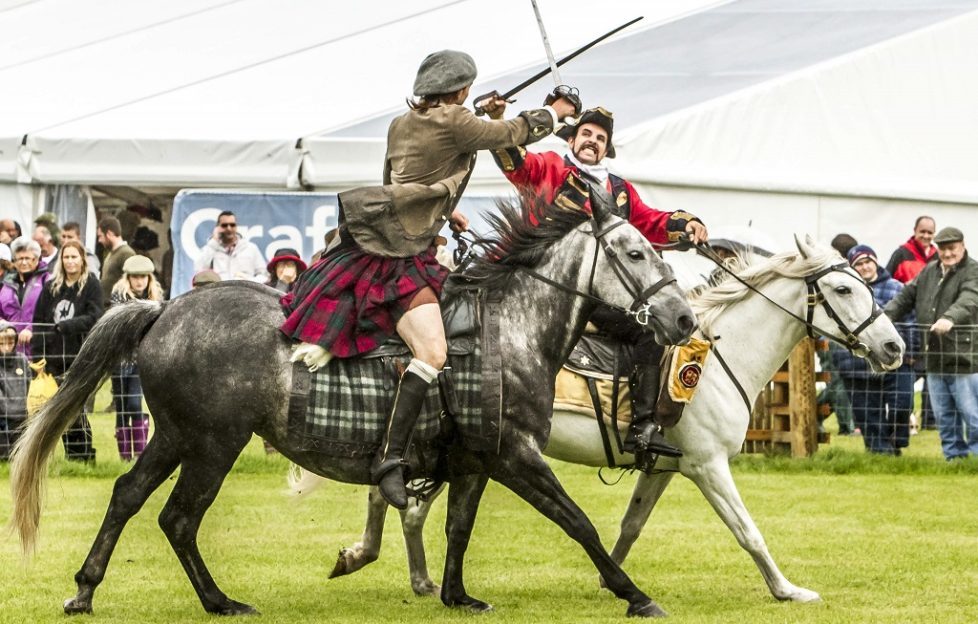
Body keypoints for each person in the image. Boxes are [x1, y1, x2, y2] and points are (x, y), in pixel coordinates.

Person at [281, 50, 578, 509]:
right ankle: (390, 457)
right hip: (404, 258)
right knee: (434, 351)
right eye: (467, 91)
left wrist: (444, 212)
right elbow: (514, 132)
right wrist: (555, 112)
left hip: (389, 239)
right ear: (460, 89)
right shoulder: (457, 121)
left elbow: (397, 181)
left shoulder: (402, 122)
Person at [487, 105, 707, 462]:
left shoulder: (619, 190)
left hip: (602, 294)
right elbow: (517, 162)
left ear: (607, 149)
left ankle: (643, 427)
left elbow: (649, 222)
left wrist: (685, 224)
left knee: (647, 327)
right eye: (587, 134)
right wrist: (499, 123)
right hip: (545, 287)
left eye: (601, 138)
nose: (593, 141)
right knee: (645, 331)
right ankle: (642, 425)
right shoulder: (552, 167)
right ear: (571, 139)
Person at [885, 227, 978, 460]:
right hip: (935, 358)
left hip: (965, 359)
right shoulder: (930, 271)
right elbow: (907, 296)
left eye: (951, 248)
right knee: (944, 416)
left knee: (972, 414)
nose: (947, 254)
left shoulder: (973, 271)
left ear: (962, 246)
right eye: (943, 249)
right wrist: (884, 318)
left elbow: (969, 299)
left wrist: (949, 318)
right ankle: (955, 458)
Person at [832, 245, 914, 454]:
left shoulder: (896, 288)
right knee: (868, 413)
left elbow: (911, 321)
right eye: (858, 264)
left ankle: (897, 441)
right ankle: (880, 454)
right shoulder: (845, 291)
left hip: (893, 358)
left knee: (902, 404)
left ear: (876, 261)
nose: (864, 267)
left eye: (867, 261)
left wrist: (912, 352)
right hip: (857, 363)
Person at [30, 240, 103, 461]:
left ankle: (82, 455)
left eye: (74, 257)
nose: (70, 261)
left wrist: (65, 326)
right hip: (53, 359)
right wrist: (38, 357)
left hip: (80, 358)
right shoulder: (51, 287)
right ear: (61, 260)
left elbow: (95, 317)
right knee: (57, 409)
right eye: (66, 257)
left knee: (75, 409)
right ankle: (70, 456)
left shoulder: (91, 284)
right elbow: (39, 322)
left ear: (82, 259)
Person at [109, 255, 163, 460]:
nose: (139, 281)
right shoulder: (118, 299)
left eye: (143, 277)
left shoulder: (156, 301)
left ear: (149, 278)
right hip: (120, 360)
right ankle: (125, 458)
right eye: (135, 277)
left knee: (134, 402)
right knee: (122, 406)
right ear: (128, 278)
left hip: (141, 361)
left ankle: (140, 453)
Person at [0, 237, 50, 356]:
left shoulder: (47, 281)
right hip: (10, 349)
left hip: (38, 347)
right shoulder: (6, 285)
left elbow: (49, 312)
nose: (23, 262)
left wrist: (31, 329)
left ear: (36, 259)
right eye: (19, 259)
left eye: (27, 258)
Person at [194, 211, 267, 282]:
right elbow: (199, 274)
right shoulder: (209, 249)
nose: (229, 228)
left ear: (236, 226)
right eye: (224, 225)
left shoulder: (251, 248)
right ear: (217, 228)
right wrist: (214, 241)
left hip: (246, 293)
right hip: (220, 293)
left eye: (232, 225)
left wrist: (249, 281)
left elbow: (264, 275)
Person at [0, 320, 30, 460]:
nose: (6, 347)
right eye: (1, 344)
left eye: (10, 343)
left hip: (21, 415)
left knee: (20, 456)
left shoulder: (22, 360)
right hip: (3, 417)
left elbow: (29, 386)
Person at [97, 216, 136, 307]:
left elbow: (132, 284)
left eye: (100, 236)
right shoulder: (110, 254)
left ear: (109, 233)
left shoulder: (127, 253)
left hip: (116, 308)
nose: (99, 240)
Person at [886, 216, 937, 284]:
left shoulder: (938, 256)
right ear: (915, 230)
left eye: (930, 233)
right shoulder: (901, 254)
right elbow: (886, 281)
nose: (926, 236)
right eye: (922, 231)